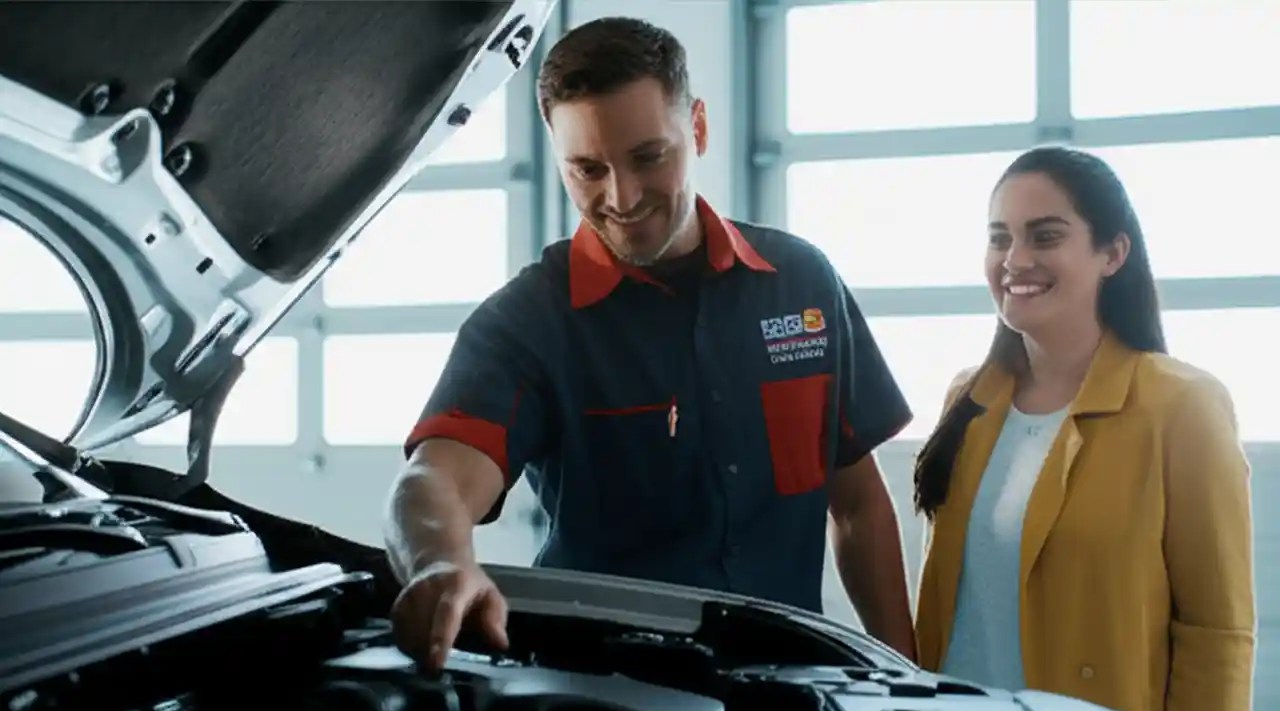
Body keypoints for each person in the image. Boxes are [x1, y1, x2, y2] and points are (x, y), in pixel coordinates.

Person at [382, 16, 917, 671]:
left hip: (789, 686)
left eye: (647, 157)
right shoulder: (530, 321)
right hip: (602, 694)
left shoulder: (803, 284)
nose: (621, 197)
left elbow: (859, 505)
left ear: (696, 128)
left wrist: (909, 680)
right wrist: (439, 562)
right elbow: (433, 478)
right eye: (587, 169)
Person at [911, 146, 1256, 711]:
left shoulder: (1182, 407)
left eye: (1045, 237)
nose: (1014, 259)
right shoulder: (967, 401)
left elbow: (1216, 633)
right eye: (1000, 238)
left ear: (1113, 253)